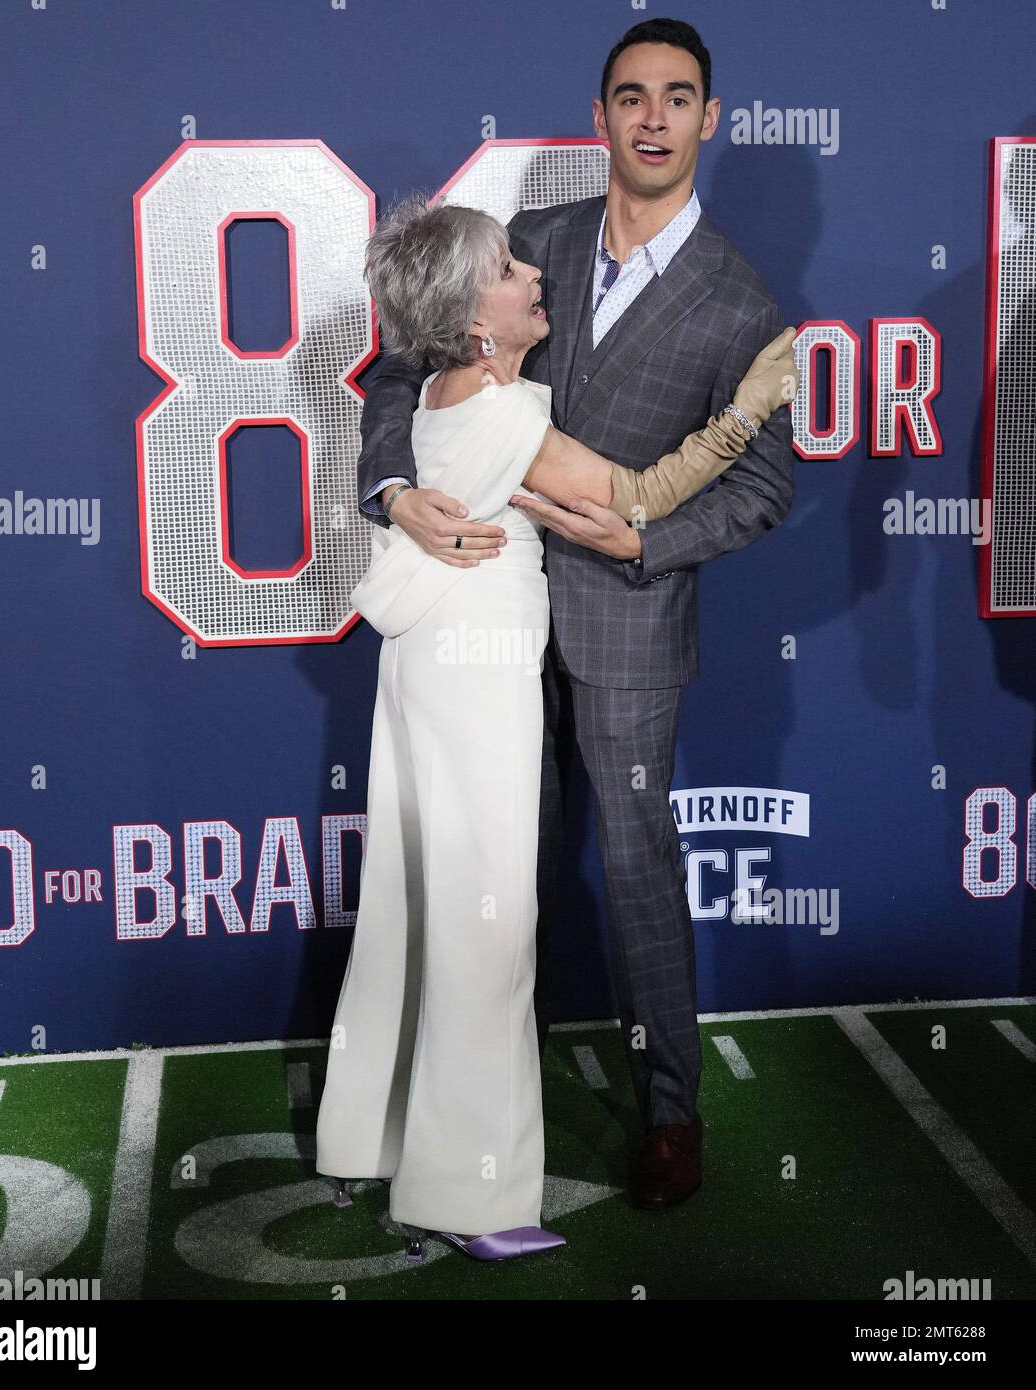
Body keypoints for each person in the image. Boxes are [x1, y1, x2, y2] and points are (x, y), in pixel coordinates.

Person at [354, 18, 798, 1215]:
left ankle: (667, 1109)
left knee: (635, 865)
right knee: (491, 861)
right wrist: (393, 490)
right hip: (478, 626)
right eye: (629, 95)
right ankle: (475, 1100)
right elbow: (398, 368)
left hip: (626, 629)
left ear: (710, 120)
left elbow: (763, 488)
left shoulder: (739, 298)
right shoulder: (528, 245)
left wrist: (649, 538)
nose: (651, 117)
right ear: (600, 115)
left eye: (676, 97)